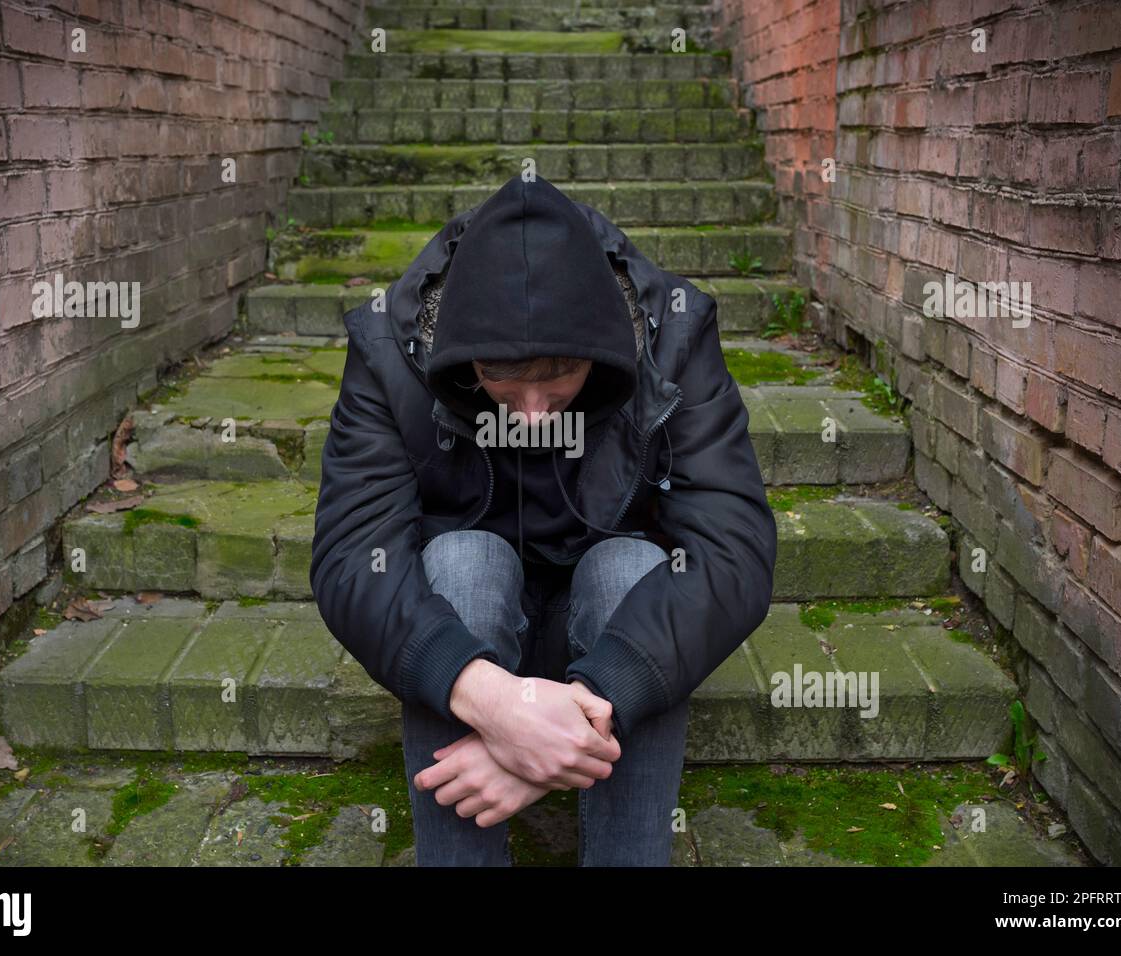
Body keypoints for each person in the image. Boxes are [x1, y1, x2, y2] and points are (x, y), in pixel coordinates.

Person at [309, 174, 777, 866]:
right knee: (464, 562)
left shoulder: (671, 334)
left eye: (559, 372)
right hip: (470, 637)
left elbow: (734, 552)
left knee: (632, 567)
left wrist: (593, 701)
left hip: (611, 634)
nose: (530, 411)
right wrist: (491, 701)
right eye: (500, 375)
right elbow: (351, 557)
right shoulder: (391, 351)